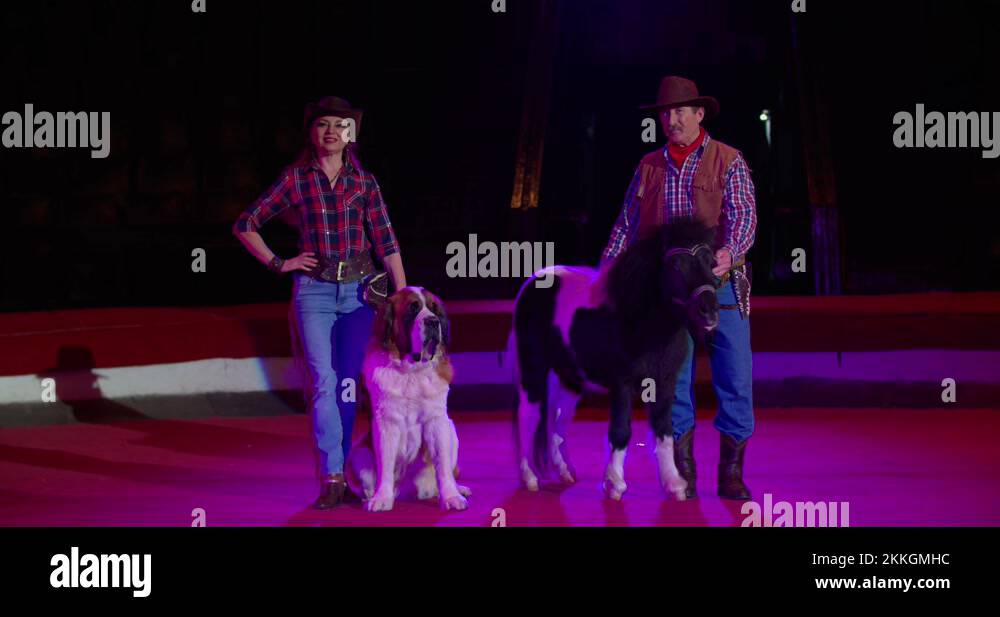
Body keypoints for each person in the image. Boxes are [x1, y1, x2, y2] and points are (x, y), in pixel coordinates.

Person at [233, 96, 406, 509]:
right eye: (322, 124)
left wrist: (402, 294)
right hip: (314, 291)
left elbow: (386, 239)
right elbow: (245, 224)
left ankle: (344, 471)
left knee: (348, 384)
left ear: (351, 135)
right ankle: (331, 474)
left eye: (340, 124)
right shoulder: (296, 179)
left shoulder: (364, 183)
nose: (331, 131)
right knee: (324, 383)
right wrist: (281, 263)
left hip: (360, 292)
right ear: (311, 133)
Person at [602, 76, 757, 500]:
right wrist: (606, 272)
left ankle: (731, 471)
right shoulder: (649, 165)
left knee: (735, 377)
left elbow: (743, 215)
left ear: (699, 113)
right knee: (673, 378)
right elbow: (626, 225)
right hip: (666, 293)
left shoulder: (728, 159)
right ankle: (682, 470)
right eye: (665, 113)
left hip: (719, 285)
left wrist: (730, 251)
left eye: (680, 111)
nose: (671, 119)